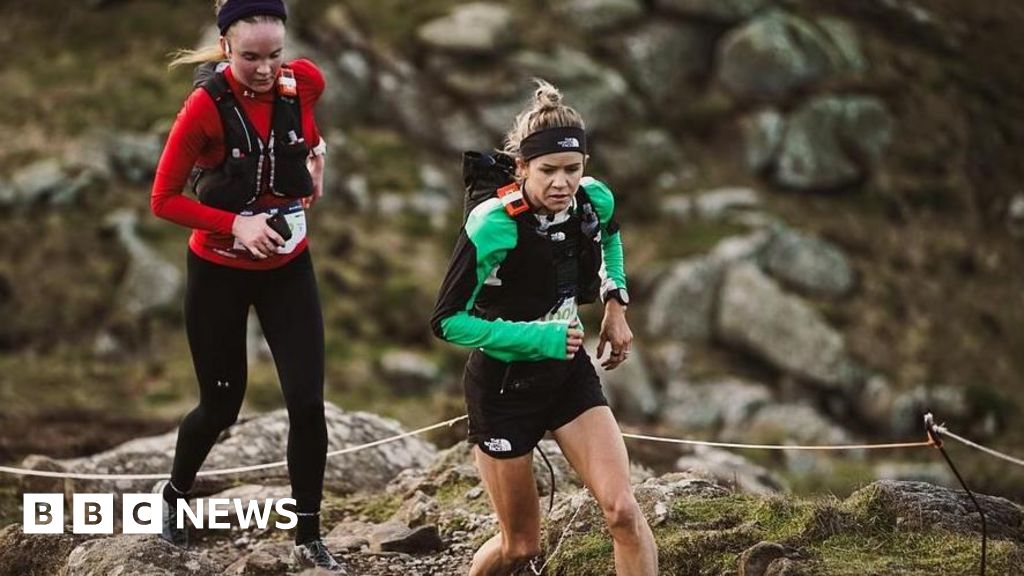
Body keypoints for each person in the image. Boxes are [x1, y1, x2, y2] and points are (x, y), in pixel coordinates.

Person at [431, 80, 658, 576]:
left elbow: (611, 238)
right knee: (521, 549)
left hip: (567, 377)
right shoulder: (493, 224)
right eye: (548, 171)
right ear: (521, 168)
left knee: (622, 512)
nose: (562, 183)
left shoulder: (593, 199)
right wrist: (540, 338)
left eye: (572, 170)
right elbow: (447, 321)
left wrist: (615, 303)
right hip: (502, 391)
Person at [150, 0, 344, 572]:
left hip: (289, 268)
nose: (266, 68)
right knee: (221, 405)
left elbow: (307, 133)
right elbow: (163, 200)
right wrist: (236, 223)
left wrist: (317, 158)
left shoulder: (303, 83)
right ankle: (175, 496)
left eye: (275, 54)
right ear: (226, 48)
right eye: (252, 56)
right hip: (217, 274)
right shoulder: (203, 109)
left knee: (307, 403)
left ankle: (308, 534)